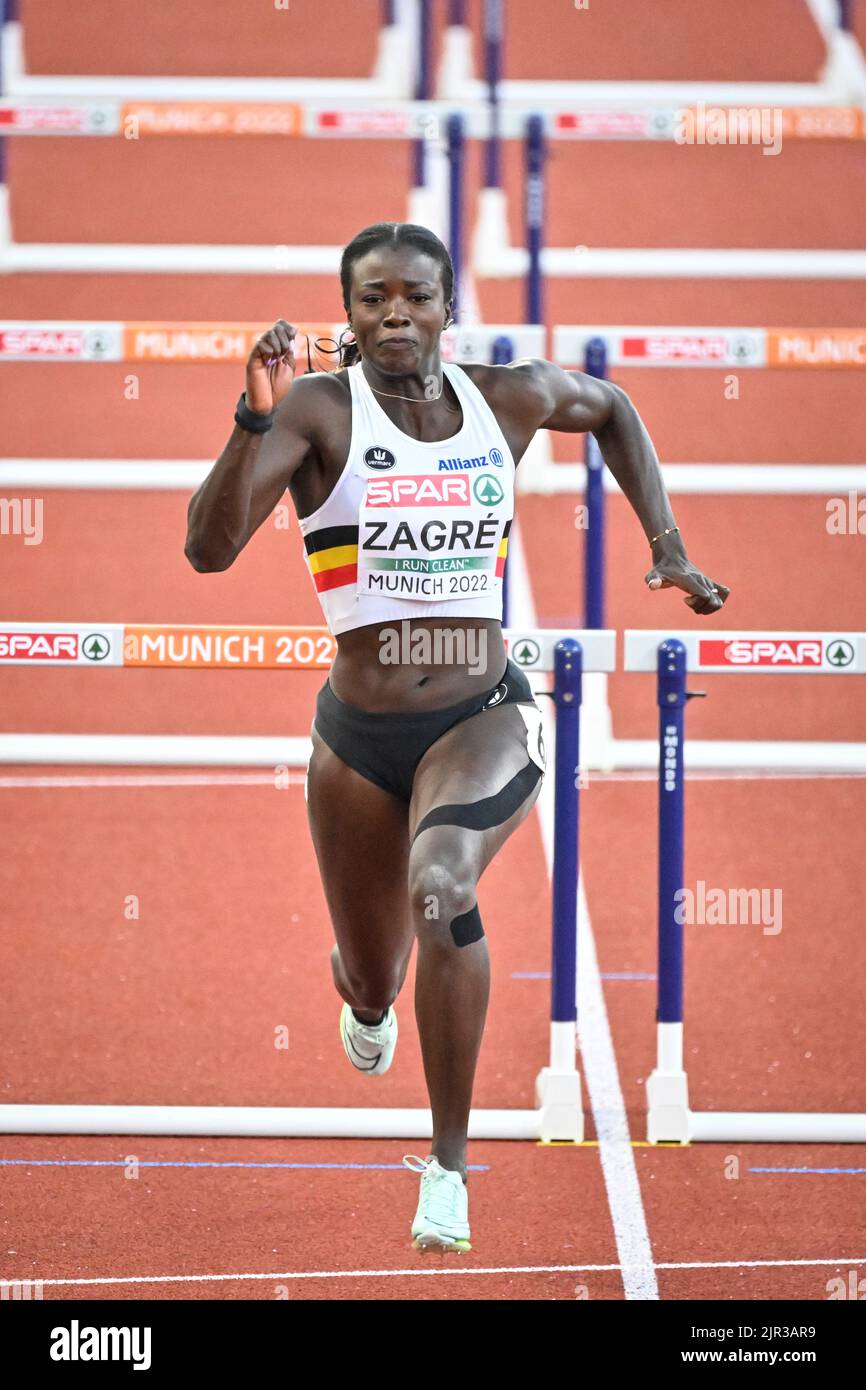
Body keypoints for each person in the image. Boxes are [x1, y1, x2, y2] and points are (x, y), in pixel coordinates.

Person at [185, 221, 729, 1253]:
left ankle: (445, 1164)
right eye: (372, 298)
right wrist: (247, 423)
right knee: (372, 971)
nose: (395, 313)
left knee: (444, 880)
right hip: (355, 736)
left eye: (415, 296)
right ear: (345, 314)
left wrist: (666, 544)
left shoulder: (506, 398)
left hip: (480, 717)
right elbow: (208, 551)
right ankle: (368, 994)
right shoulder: (315, 411)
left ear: (447, 307)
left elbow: (609, 407)